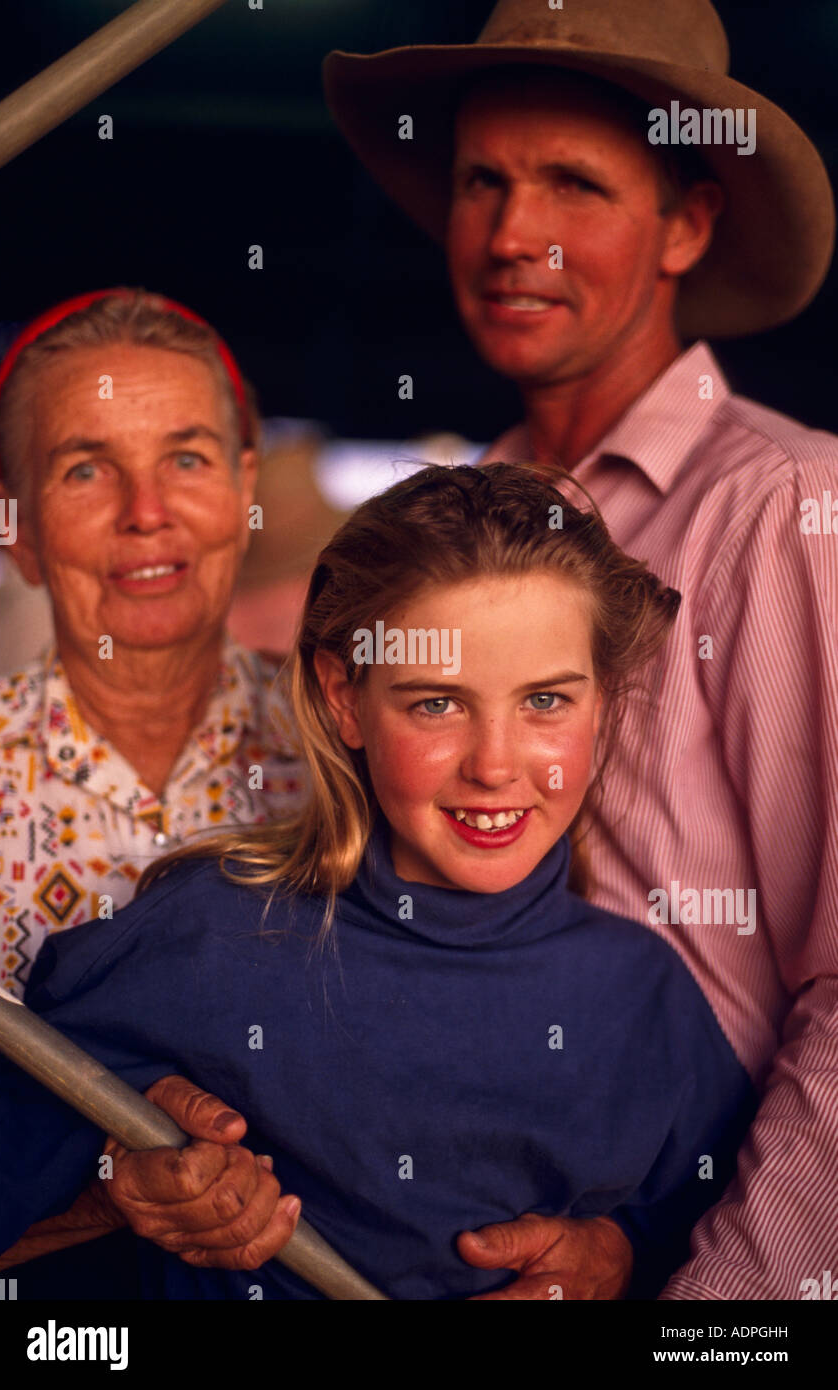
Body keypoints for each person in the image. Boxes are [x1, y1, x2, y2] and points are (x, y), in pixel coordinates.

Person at [322, 0, 838, 1299]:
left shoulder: (784, 509)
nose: (509, 235)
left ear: (688, 221)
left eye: (572, 183)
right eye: (482, 181)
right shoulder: (447, 525)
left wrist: (695, 1295)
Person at [0, 463, 755, 1300]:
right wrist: (110, 1186)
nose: (494, 766)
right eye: (436, 704)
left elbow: (724, 1259)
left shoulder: (644, 997)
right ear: (343, 698)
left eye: (544, 701)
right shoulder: (205, 939)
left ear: (602, 700)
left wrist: (622, 1253)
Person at [0, 289, 306, 997]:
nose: (146, 513)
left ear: (243, 488)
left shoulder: (349, 753)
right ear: (20, 531)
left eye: (185, 459)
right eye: (85, 471)